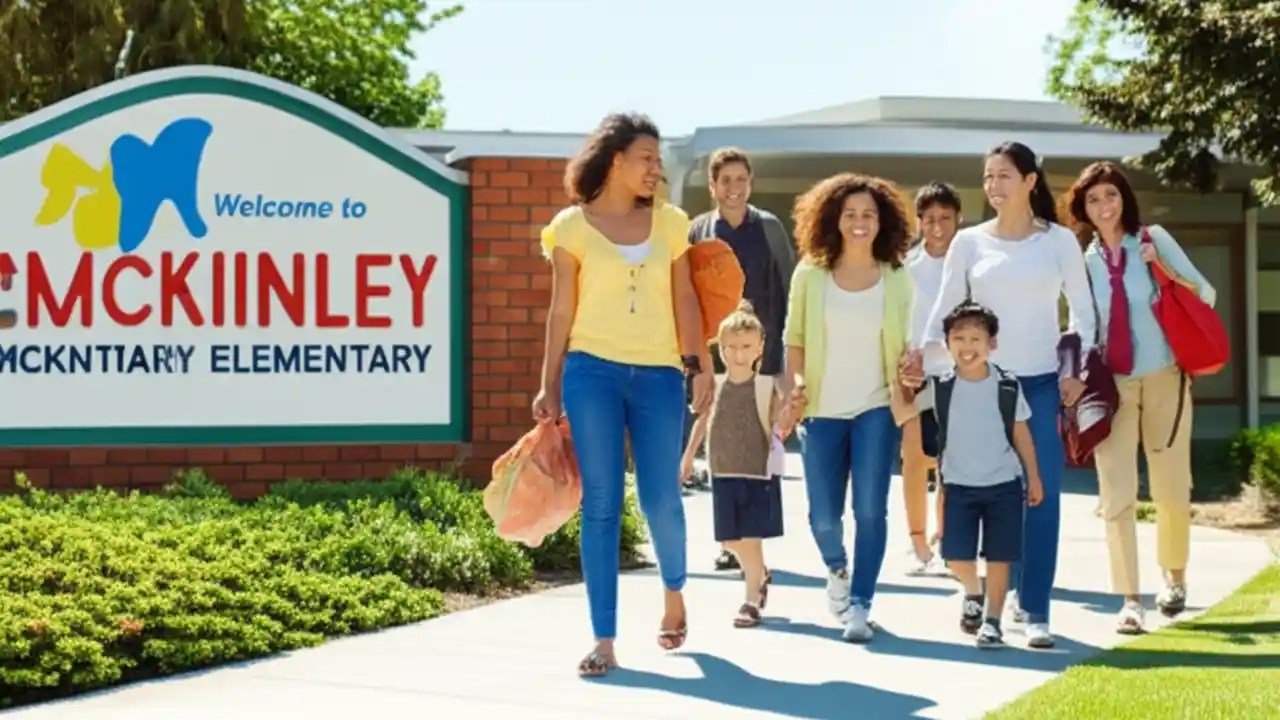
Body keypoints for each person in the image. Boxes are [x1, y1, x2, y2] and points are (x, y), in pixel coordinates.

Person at [532, 112, 714, 677]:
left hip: (659, 374)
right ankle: (604, 639)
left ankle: (675, 590)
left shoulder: (672, 223)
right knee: (602, 503)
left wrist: (698, 361)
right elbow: (561, 310)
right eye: (646, 160)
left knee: (660, 497)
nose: (655, 170)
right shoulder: (571, 227)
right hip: (592, 373)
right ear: (615, 161)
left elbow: (685, 297)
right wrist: (549, 382)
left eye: (658, 162)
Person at [915, 141, 1095, 649]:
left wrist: (1074, 369)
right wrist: (922, 358)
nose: (994, 186)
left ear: (1030, 181)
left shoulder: (1058, 241)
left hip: (1038, 385)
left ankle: (1034, 608)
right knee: (988, 496)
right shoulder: (969, 242)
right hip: (981, 390)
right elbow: (947, 311)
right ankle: (994, 594)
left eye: (1004, 176)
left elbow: (1082, 312)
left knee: (1040, 496)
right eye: (988, 177)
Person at [1063, 161, 1215, 634]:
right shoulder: (1084, 260)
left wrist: (1161, 271)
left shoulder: (1154, 240)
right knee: (1116, 491)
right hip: (1112, 385)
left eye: (1110, 195)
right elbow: (1079, 324)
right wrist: (1071, 376)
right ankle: (1130, 598)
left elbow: (1204, 294)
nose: (1104, 206)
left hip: (1166, 375)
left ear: (1124, 199)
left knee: (1170, 486)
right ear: (1083, 209)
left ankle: (1175, 578)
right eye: (1093, 199)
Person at [782, 172, 915, 643]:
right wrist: (796, 384)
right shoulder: (810, 274)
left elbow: (909, 343)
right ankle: (837, 567)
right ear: (834, 220)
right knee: (822, 517)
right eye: (851, 214)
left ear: (883, 222)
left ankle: (860, 603)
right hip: (821, 411)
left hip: (876, 408)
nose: (860, 222)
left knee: (871, 510)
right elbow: (794, 341)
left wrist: (912, 368)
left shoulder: (897, 277)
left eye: (869, 215)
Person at [685, 148, 796, 573]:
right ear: (712, 186)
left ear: (750, 183)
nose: (734, 188)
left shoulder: (768, 228)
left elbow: (789, 292)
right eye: (725, 180)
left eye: (741, 180)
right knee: (723, 453)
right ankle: (730, 541)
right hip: (719, 362)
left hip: (764, 364)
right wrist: (696, 364)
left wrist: (786, 363)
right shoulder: (699, 231)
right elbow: (689, 298)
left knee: (761, 452)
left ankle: (756, 536)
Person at [925, 301, 1044, 648]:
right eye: (958, 338)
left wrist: (1033, 476)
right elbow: (905, 414)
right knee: (954, 557)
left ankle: (992, 621)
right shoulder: (941, 387)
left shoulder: (1006, 386)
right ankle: (973, 591)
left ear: (992, 343)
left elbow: (1022, 434)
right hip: (959, 485)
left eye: (976, 338)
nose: (967, 347)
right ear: (947, 344)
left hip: (1003, 484)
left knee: (999, 557)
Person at [682, 300, 796, 627]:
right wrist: (689, 456)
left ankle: (751, 600)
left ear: (760, 347)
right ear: (720, 349)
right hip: (723, 471)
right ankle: (759, 575)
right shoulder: (715, 385)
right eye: (731, 347)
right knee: (730, 540)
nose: (738, 354)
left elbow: (781, 420)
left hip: (756, 471)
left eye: (746, 347)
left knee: (750, 537)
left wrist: (791, 409)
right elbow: (703, 421)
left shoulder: (766, 385)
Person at [900, 181, 963, 576]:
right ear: (919, 221)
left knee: (950, 465)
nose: (937, 227)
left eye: (945, 218)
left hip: (958, 375)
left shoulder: (969, 263)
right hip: (913, 377)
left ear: (959, 219)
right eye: (929, 219)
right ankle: (917, 542)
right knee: (913, 460)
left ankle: (945, 541)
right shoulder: (906, 266)